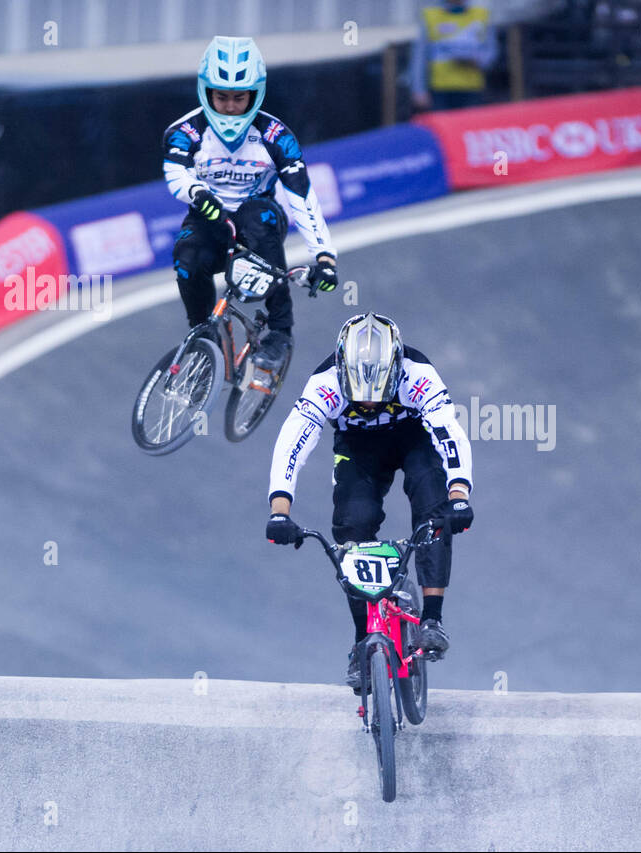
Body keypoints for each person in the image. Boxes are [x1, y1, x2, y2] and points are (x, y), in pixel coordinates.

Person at [265, 313, 475, 691]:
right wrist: (280, 509)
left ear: (395, 372)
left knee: (434, 511)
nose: (368, 404)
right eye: (359, 397)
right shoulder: (324, 383)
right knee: (352, 525)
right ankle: (362, 639)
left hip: (415, 439)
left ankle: (431, 620)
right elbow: (293, 441)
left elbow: (448, 432)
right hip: (360, 449)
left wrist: (459, 494)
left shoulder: (418, 373)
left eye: (377, 395)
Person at [162, 35, 338, 372]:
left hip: (259, 214)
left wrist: (324, 256)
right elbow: (176, 173)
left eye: (239, 98)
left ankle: (281, 332)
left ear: (254, 95)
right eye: (221, 97)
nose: (229, 106)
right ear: (206, 91)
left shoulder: (277, 138)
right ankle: (203, 342)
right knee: (186, 260)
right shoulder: (183, 131)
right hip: (207, 217)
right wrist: (198, 193)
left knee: (258, 219)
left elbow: (302, 199)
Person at [410, 1, 499, 112]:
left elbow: (491, 52)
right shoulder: (430, 15)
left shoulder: (482, 14)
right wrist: (419, 90)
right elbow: (419, 57)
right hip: (439, 90)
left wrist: (479, 61)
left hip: (472, 89)